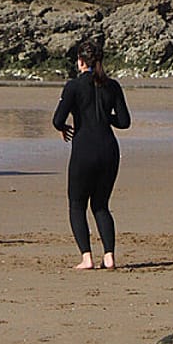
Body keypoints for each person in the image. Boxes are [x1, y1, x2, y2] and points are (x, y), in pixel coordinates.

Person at [53, 39, 131, 270]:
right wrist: (106, 117)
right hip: (109, 149)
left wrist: (64, 128)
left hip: (84, 149)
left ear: (80, 62)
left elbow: (58, 119)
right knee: (101, 205)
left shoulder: (73, 86)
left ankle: (87, 257)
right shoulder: (112, 86)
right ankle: (109, 256)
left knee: (77, 204)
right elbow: (124, 122)